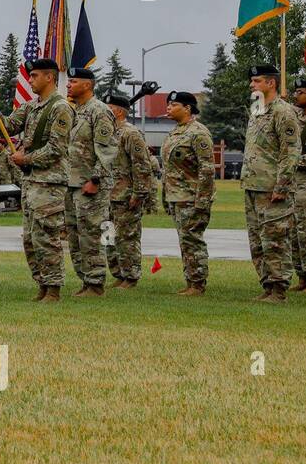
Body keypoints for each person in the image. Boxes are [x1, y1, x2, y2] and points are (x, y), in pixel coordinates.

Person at [0, 57, 72, 302]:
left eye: (34, 76)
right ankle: (41, 284)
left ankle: (53, 288)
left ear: (49, 77)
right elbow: (7, 126)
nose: (30, 80)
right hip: (32, 182)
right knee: (31, 238)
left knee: (46, 235)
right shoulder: (32, 107)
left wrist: (27, 158)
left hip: (49, 183)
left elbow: (57, 148)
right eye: (29, 76)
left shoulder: (60, 108)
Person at [242, 65, 299, 302]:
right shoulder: (257, 109)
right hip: (253, 185)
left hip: (272, 188)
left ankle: (279, 290)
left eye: (256, 81)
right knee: (257, 241)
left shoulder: (283, 112)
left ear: (271, 83)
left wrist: (282, 185)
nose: (251, 85)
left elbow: (291, 151)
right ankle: (267, 286)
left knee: (275, 240)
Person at [64, 68, 117, 296]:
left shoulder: (99, 111)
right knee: (75, 236)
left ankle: (96, 283)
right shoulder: (74, 111)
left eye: (73, 81)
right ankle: (85, 280)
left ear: (87, 85)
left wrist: (95, 179)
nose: (68, 85)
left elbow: (106, 149)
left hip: (90, 185)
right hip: (71, 182)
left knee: (92, 235)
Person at [160, 91, 215, 296]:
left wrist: (202, 200)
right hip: (176, 196)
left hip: (192, 197)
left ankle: (198, 283)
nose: (168, 108)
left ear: (188, 109)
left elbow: (207, 169)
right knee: (185, 240)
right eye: (168, 104)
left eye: (173, 105)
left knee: (193, 239)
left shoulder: (198, 132)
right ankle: (191, 281)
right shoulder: (176, 132)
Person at [106, 93, 152, 288]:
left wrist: (139, 194)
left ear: (118, 111)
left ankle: (130, 276)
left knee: (127, 238)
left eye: (108, 108)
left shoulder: (130, 133)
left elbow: (142, 165)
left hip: (125, 196)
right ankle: (117, 273)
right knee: (107, 237)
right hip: (106, 195)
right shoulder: (106, 133)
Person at [291, 78, 306, 292]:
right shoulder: (294, 118)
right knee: (295, 233)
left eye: (301, 91)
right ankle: (302, 277)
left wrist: (293, 160)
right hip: (295, 184)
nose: (296, 95)